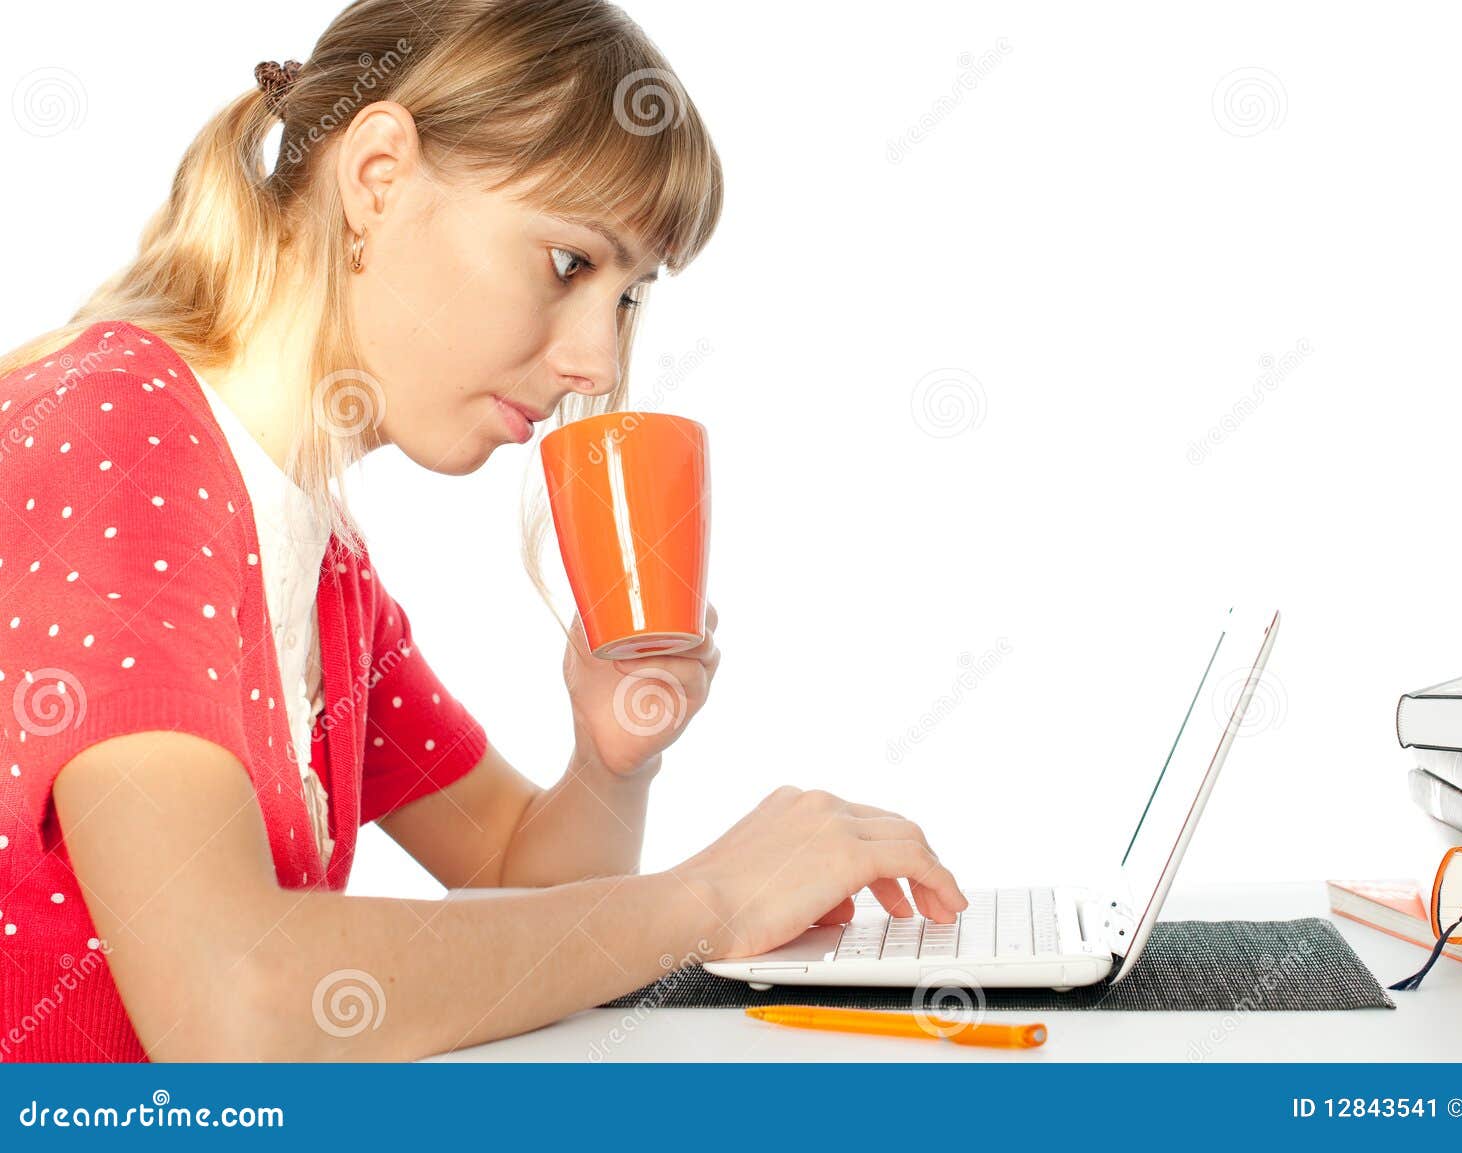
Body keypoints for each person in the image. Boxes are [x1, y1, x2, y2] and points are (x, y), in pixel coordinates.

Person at [0, 0, 967, 1063]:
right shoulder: (118, 437)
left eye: (629, 297)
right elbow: (234, 1000)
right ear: (377, 178)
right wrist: (710, 898)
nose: (598, 362)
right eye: (568, 264)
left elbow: (520, 885)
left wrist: (610, 767)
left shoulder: (324, 564)